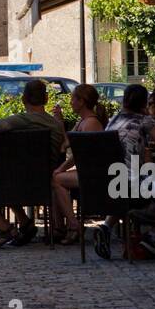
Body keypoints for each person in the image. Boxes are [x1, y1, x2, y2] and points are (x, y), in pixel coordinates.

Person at [0, 79, 63, 247]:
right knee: (7, 178)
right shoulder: (56, 125)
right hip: (43, 183)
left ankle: (5, 228)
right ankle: (24, 222)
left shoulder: (21, 120)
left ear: (23, 100)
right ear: (46, 99)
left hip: (12, 182)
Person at [94, 83, 155, 259]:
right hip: (132, 187)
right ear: (144, 103)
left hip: (108, 184)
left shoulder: (113, 121)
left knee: (130, 181)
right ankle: (153, 233)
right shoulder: (144, 121)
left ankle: (107, 227)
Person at [50, 84, 106, 244]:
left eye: (73, 98)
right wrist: (60, 123)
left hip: (94, 173)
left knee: (56, 179)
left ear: (81, 101)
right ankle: (60, 227)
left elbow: (79, 154)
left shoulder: (90, 124)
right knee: (54, 178)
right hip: (88, 170)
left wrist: (60, 168)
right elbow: (67, 143)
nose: (70, 102)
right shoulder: (84, 121)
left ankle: (74, 226)